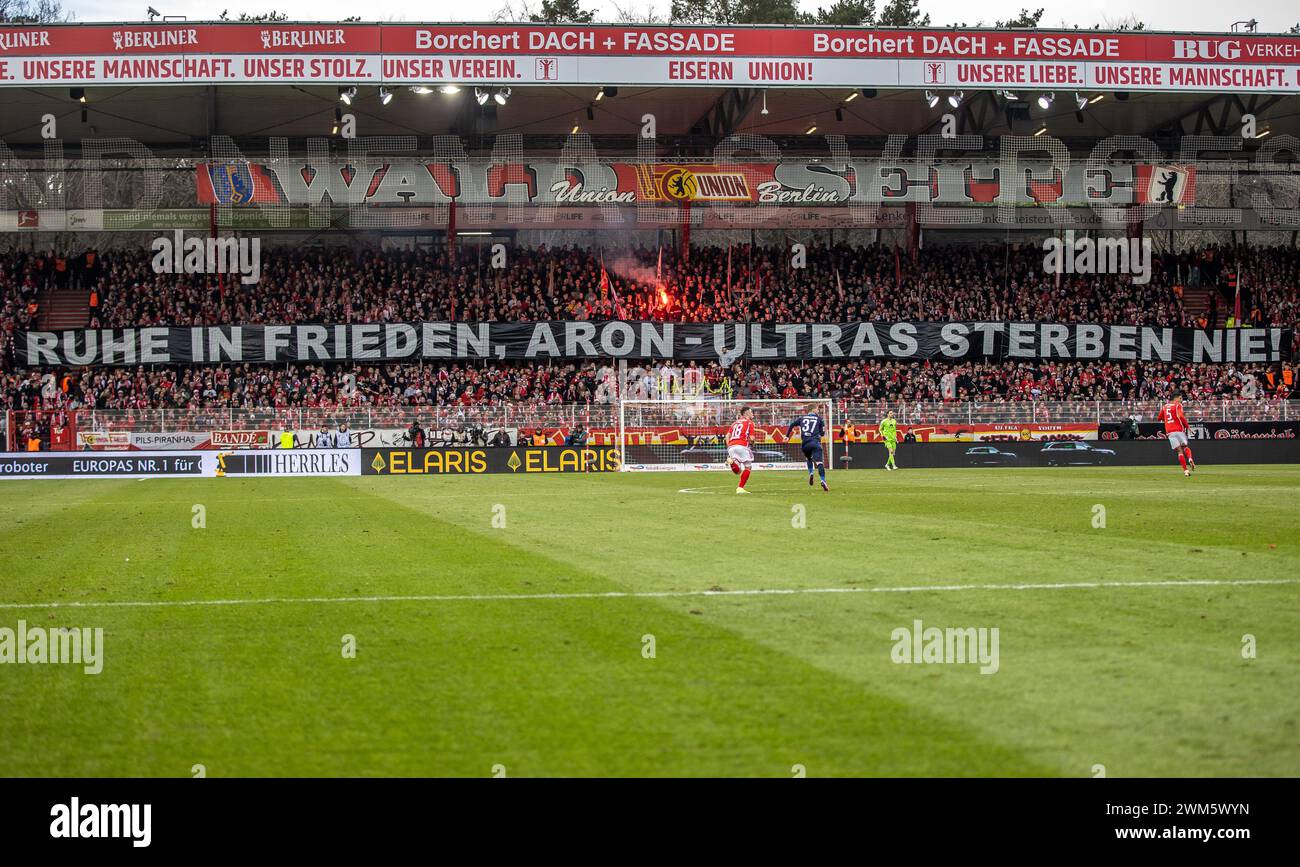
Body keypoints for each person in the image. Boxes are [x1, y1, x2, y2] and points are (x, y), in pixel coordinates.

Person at [786, 407, 829, 492]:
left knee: (809, 458)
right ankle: (823, 480)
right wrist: (819, 432)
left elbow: (792, 425)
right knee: (819, 463)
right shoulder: (819, 419)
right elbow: (822, 433)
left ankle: (811, 473)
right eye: (817, 409)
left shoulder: (802, 418)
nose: (818, 411)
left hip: (805, 444)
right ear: (813, 410)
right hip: (815, 443)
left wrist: (787, 436)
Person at [1158, 391, 1196, 477]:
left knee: (1179, 451)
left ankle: (1185, 470)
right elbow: (1181, 416)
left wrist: (1168, 419)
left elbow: (1159, 418)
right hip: (1179, 429)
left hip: (1169, 431)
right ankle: (1190, 458)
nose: (1181, 400)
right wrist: (1188, 427)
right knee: (1185, 447)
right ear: (1176, 398)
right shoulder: (1178, 405)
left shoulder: (1165, 406)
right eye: (1180, 398)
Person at [726, 405, 756, 495]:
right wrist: (752, 442)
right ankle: (740, 488)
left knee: (738, 471)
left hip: (731, 447)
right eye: (751, 412)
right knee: (748, 467)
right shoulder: (750, 423)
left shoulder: (735, 423)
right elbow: (752, 438)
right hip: (742, 446)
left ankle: (732, 462)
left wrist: (729, 446)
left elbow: (727, 436)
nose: (753, 414)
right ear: (746, 413)